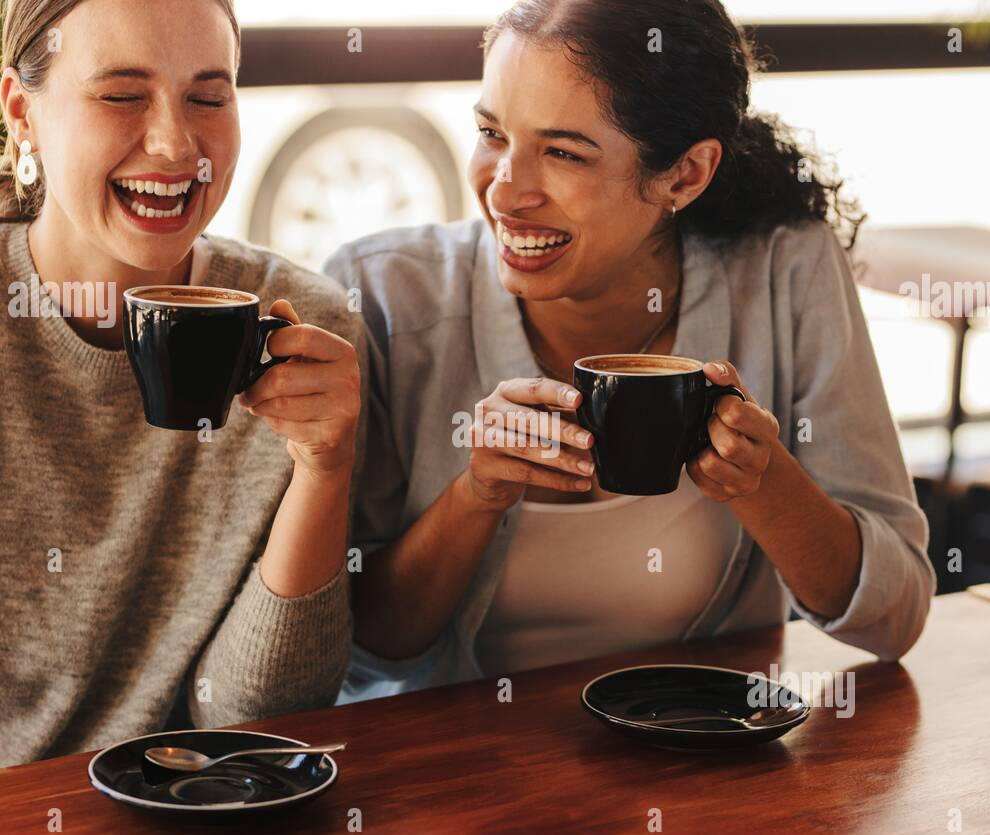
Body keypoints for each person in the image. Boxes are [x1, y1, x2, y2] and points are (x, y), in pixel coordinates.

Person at [325, 0, 935, 702]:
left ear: (685, 175)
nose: (505, 189)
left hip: (704, 768)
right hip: (459, 784)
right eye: (492, 133)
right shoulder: (380, 292)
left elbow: (897, 620)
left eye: (562, 152)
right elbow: (357, 648)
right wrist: (477, 496)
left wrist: (765, 484)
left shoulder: (782, 268)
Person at [0, 0, 364, 795]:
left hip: (194, 823)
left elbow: (261, 721)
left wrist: (324, 471)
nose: (175, 143)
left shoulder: (298, 330)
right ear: (23, 114)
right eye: (122, 94)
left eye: (209, 95)